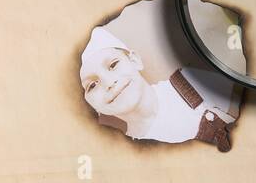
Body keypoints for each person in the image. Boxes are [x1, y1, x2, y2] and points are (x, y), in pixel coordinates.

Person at [79, 26, 237, 151]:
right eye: (92, 85)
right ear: (92, 106)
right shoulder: (128, 150)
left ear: (134, 61)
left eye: (113, 65)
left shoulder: (189, 83)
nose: (109, 82)